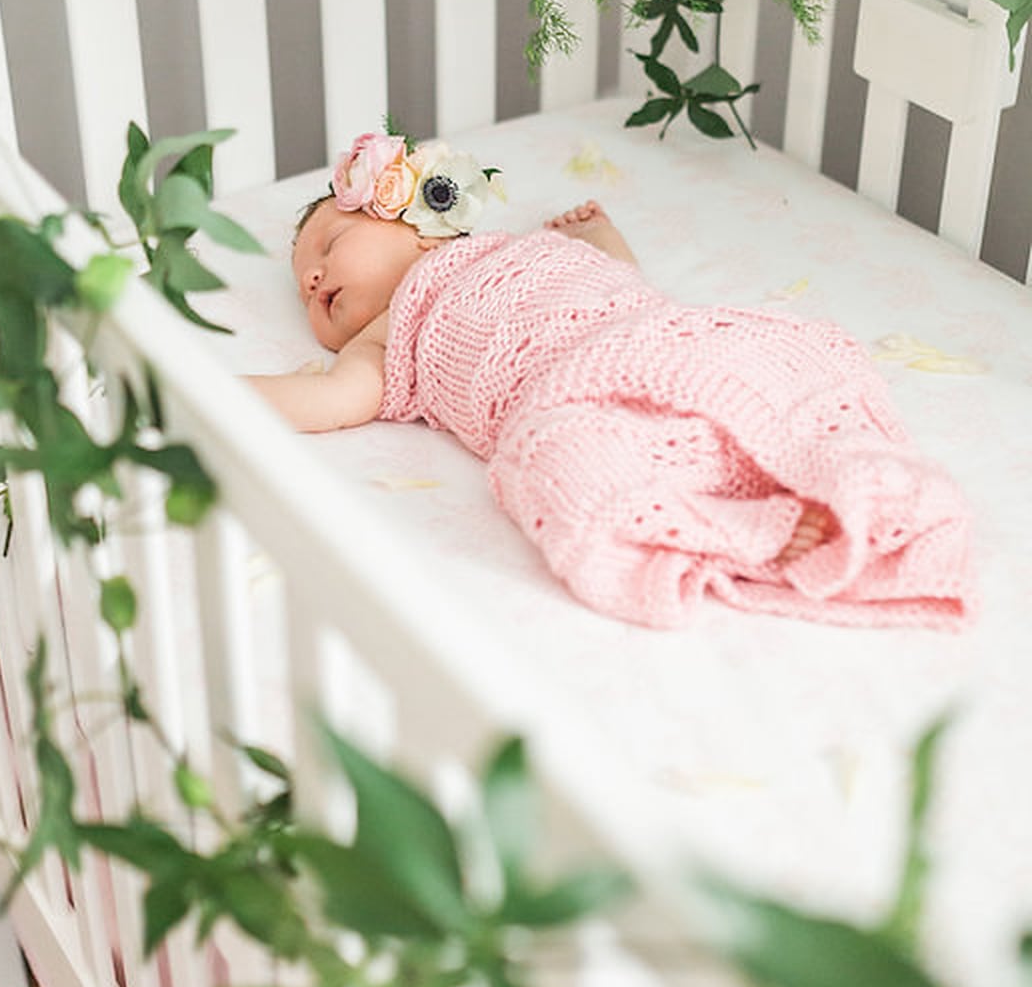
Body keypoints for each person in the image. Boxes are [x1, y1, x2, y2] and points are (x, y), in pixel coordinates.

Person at [246, 134, 974, 630]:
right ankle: (744, 533)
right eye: (305, 291)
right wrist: (209, 388)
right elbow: (329, 401)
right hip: (567, 399)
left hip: (653, 338)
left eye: (330, 245)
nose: (312, 280)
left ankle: (848, 473)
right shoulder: (387, 341)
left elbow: (617, 282)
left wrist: (596, 236)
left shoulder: (520, 246)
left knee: (772, 360)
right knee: (558, 466)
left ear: (417, 223)